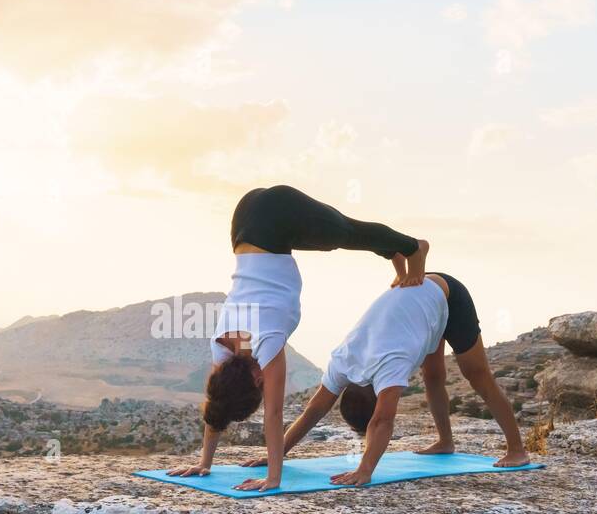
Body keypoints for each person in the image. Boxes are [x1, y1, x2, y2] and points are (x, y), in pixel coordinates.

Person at [167, 184, 428, 491]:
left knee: (342, 231)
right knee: (333, 237)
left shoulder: (266, 342)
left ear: (254, 380)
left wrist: (273, 478)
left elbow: (274, 414)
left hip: (277, 214)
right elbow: (217, 406)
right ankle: (393, 254)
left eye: (259, 386)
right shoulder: (221, 344)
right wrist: (204, 463)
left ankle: (413, 247)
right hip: (246, 223)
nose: (266, 383)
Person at [240, 272, 530, 486]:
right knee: (432, 376)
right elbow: (314, 410)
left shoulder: (389, 366)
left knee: (477, 376)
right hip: (417, 309)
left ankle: (517, 450)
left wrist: (365, 470)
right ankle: (445, 442)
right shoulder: (343, 361)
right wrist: (276, 454)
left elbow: (382, 421)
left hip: (448, 296)